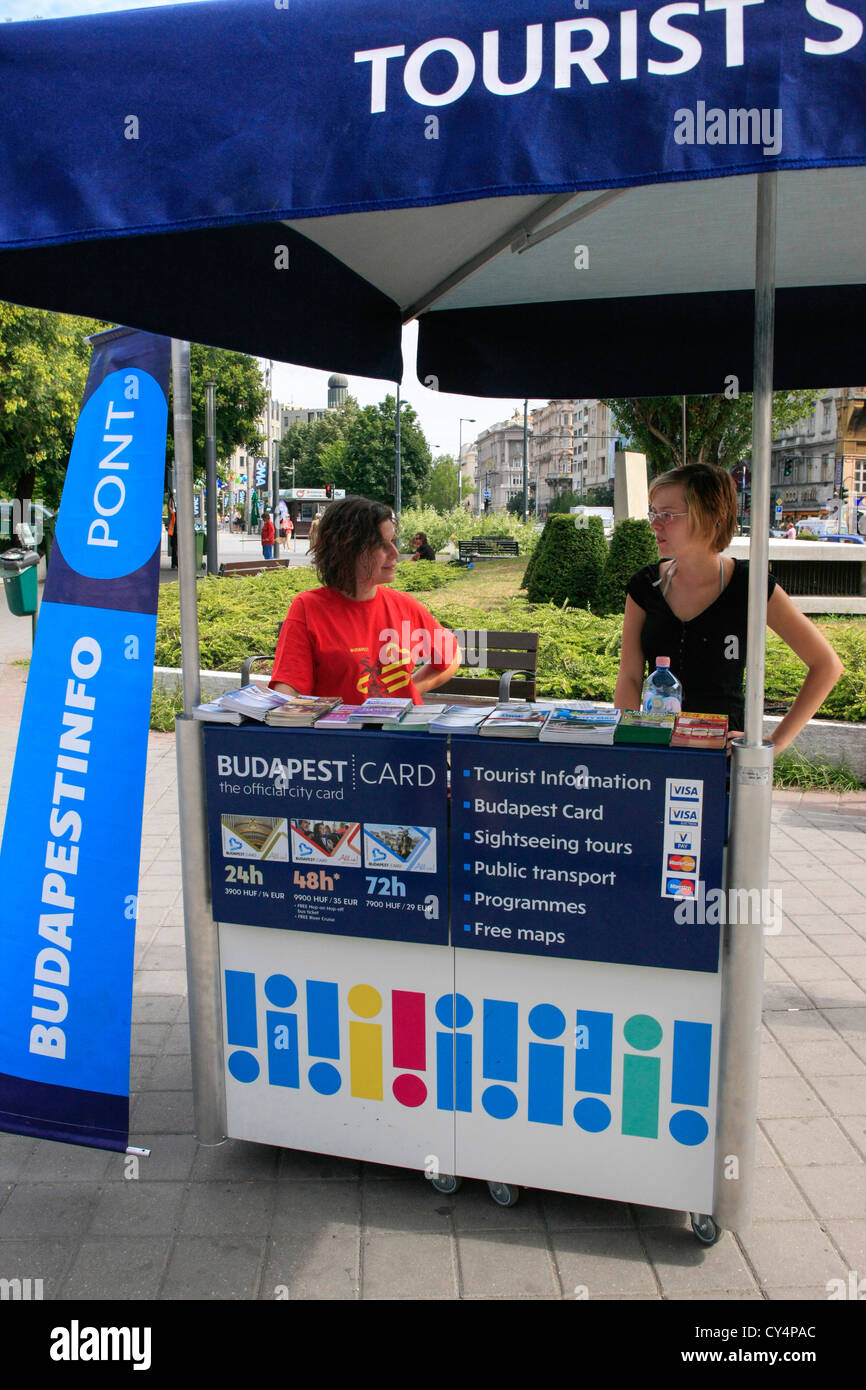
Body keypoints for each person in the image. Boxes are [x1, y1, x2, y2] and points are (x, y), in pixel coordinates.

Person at [613, 464, 842, 753]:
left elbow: (827, 665)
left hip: (722, 754)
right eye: (654, 513)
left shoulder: (750, 586)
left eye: (668, 515)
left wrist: (776, 741)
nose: (655, 524)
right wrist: (630, 742)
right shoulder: (645, 585)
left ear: (711, 517)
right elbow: (629, 676)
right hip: (658, 749)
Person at [270, 495, 461, 705]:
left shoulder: (406, 607)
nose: (395, 553)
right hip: (343, 736)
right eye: (381, 545)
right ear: (347, 550)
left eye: (393, 542)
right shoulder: (308, 608)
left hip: (400, 734)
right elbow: (288, 691)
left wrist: (412, 688)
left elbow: (451, 656)